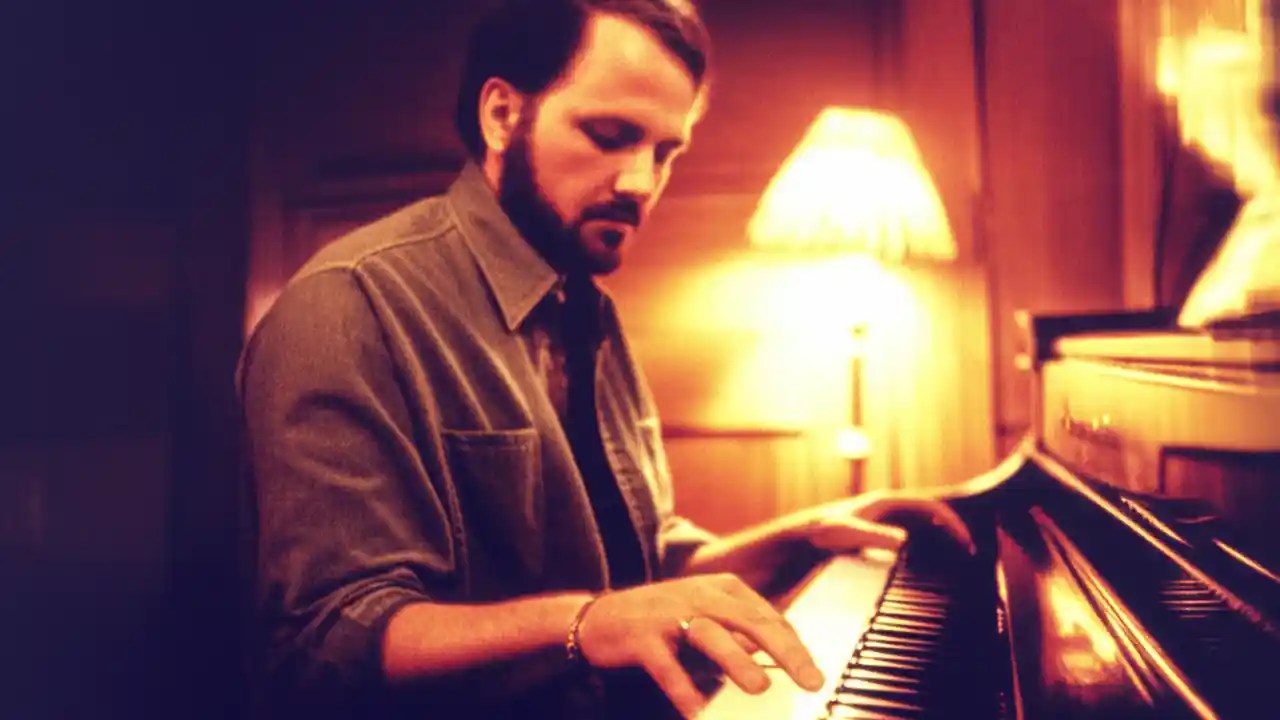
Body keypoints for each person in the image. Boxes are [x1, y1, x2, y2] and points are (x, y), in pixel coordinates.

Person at [237, 1, 971, 718]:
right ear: (501, 116)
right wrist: (586, 624)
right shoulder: (349, 305)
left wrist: (802, 536)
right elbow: (329, 642)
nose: (641, 183)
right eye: (610, 135)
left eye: (664, 152)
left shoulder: (586, 306)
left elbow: (640, 565)